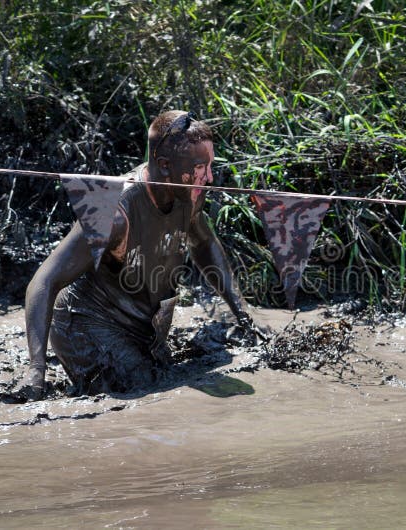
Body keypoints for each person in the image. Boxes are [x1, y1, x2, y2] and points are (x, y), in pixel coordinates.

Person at [15, 110, 258, 400]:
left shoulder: (189, 191)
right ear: (165, 165)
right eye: (200, 167)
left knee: (175, 375)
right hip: (86, 324)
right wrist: (35, 371)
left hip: (143, 325)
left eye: (210, 165)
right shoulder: (114, 212)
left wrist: (243, 315)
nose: (209, 177)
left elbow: (204, 244)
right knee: (149, 390)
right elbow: (44, 281)